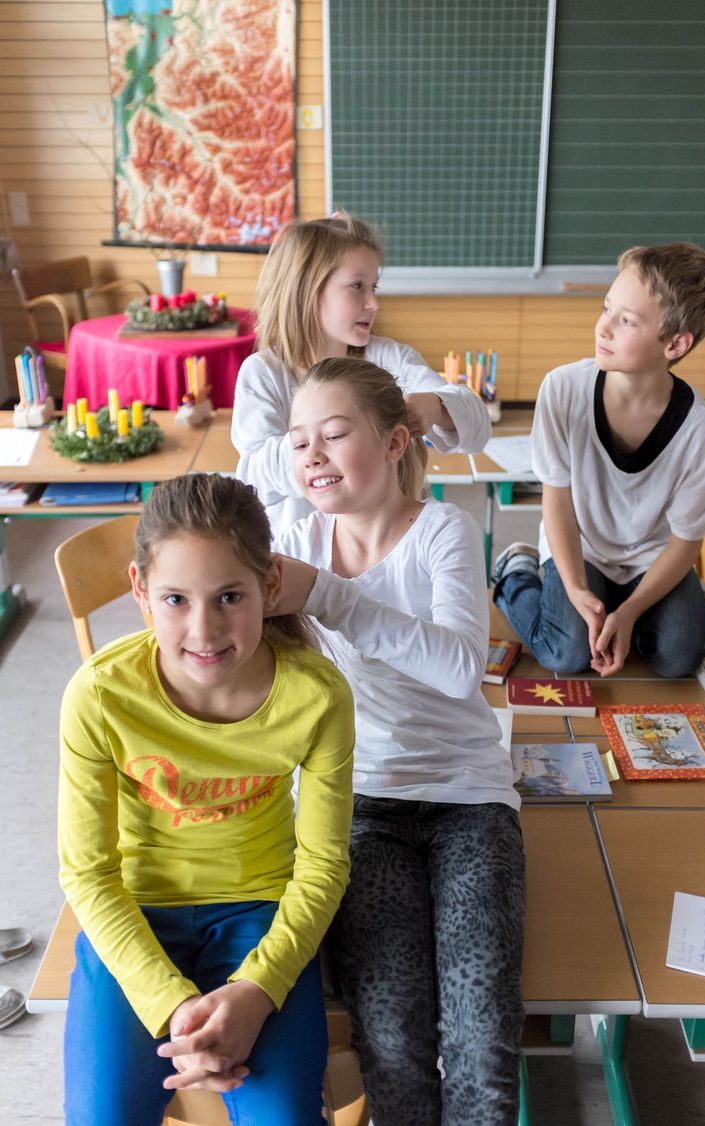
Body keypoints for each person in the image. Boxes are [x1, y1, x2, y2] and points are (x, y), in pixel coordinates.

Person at [58, 474, 354, 1126]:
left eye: (228, 596)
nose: (204, 629)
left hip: (260, 919)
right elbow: (87, 872)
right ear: (140, 589)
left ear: (270, 584)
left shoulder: (319, 696)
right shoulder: (99, 696)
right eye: (174, 599)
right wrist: (174, 1008)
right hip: (133, 922)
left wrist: (256, 991)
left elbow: (324, 865)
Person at [274, 357, 525, 1125]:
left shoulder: (443, 529)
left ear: (392, 445)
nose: (312, 453)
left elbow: (459, 667)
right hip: (360, 801)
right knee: (391, 1034)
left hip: (467, 800)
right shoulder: (293, 535)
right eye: (297, 440)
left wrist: (327, 595)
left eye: (335, 434)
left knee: (481, 1035)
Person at [492, 242, 705, 679]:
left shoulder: (700, 432)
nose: (603, 327)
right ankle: (515, 572)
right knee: (567, 656)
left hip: (652, 557)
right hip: (581, 547)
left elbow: (685, 542)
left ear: (676, 343)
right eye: (606, 307)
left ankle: (619, 612)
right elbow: (557, 503)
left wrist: (632, 611)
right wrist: (578, 590)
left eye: (627, 320)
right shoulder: (562, 390)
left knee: (679, 660)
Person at [231, 212, 491, 537]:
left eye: (374, 287)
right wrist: (329, 437)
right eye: (357, 286)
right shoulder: (263, 373)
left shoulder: (390, 359)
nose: (373, 303)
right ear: (307, 289)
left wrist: (436, 406)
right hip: (301, 563)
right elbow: (253, 481)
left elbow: (478, 428)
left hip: (389, 548)